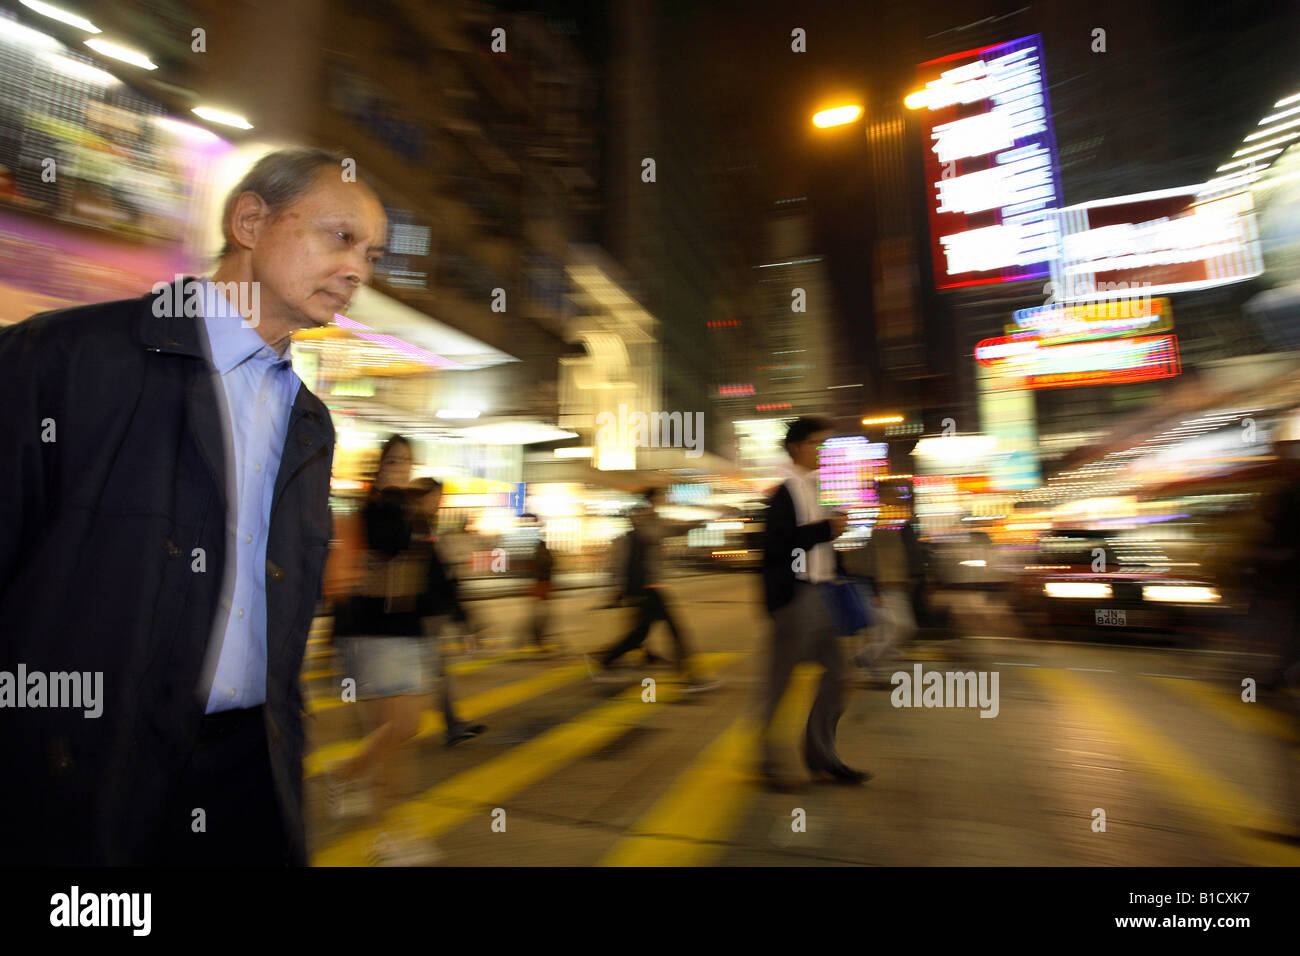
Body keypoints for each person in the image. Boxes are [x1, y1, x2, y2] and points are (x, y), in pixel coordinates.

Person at [0, 147, 387, 865]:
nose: (359, 270)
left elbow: (284, 627)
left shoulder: (310, 421)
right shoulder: (64, 360)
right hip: (81, 776)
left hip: (244, 777)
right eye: (340, 237)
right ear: (249, 220)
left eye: (371, 252)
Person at [323, 436, 442, 863]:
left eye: (406, 462)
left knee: (405, 729)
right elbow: (387, 547)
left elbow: (428, 576)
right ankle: (389, 838)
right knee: (394, 740)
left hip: (408, 633)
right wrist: (401, 504)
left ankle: (345, 772)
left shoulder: (411, 512)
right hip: (373, 633)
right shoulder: (375, 509)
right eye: (392, 461)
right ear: (381, 466)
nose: (399, 467)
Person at [759, 416, 870, 790]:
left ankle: (820, 754)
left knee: (839, 676)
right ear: (796, 447)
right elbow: (777, 545)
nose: (823, 453)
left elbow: (821, 545)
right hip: (796, 598)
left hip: (823, 595)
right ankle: (768, 760)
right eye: (817, 445)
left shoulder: (817, 488)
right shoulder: (783, 492)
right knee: (780, 683)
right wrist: (826, 529)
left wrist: (840, 562)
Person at [586, 488, 721, 691]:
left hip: (644, 589)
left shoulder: (639, 523)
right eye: (659, 499)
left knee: (639, 634)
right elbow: (670, 530)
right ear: (651, 501)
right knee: (675, 629)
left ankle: (603, 660)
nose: (661, 502)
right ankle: (690, 675)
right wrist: (705, 520)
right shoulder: (647, 524)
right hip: (649, 589)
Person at [409, 478, 488, 746]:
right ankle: (447, 725)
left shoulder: (424, 525)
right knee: (431, 673)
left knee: (436, 672)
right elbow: (429, 575)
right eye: (436, 497)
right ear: (423, 497)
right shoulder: (416, 526)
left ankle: (452, 724)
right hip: (424, 613)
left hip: (430, 612)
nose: (438, 503)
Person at [852, 481, 924, 683]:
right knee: (903, 627)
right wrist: (875, 587)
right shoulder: (881, 523)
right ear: (881, 496)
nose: (893, 496)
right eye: (889, 493)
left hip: (897, 583)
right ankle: (869, 658)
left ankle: (877, 668)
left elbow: (903, 553)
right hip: (887, 584)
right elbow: (873, 558)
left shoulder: (895, 519)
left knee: (887, 630)